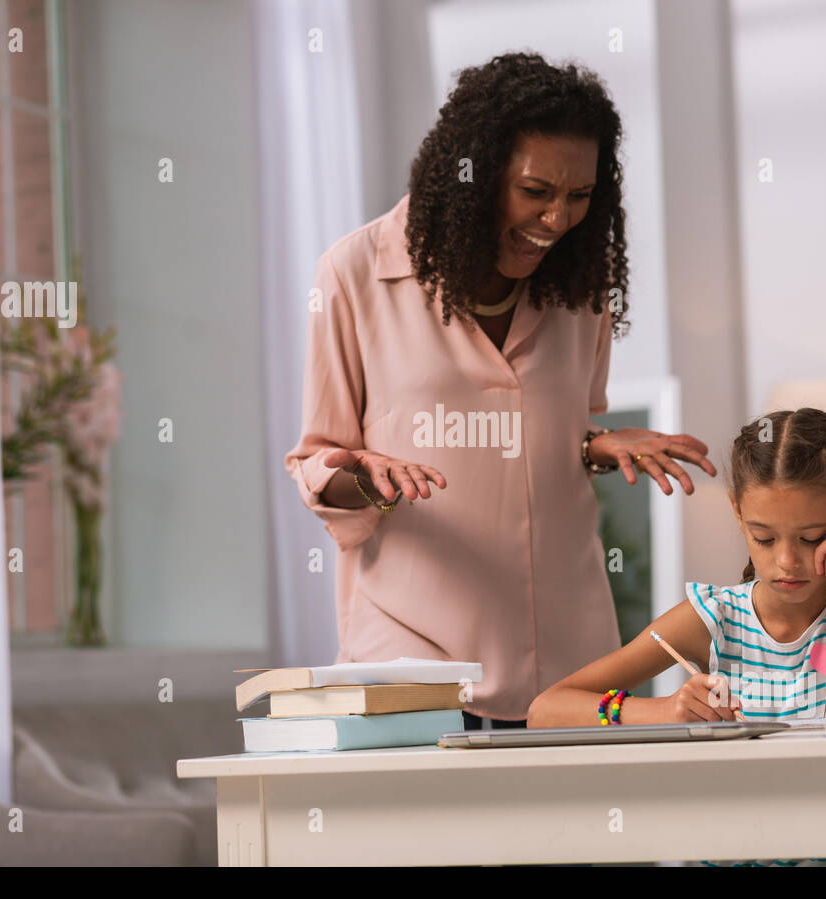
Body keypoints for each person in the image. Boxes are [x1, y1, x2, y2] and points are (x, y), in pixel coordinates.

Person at [284, 52, 715, 729]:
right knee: (435, 835)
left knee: (580, 836)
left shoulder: (582, 283)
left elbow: (546, 436)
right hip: (415, 659)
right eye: (535, 190)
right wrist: (366, 475)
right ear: (474, 176)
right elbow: (317, 464)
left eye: (579, 197)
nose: (557, 218)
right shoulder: (353, 274)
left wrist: (599, 445)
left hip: (570, 668)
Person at [527, 407, 826, 865]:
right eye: (764, 538)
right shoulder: (714, 617)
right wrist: (664, 711)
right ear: (737, 513)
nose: (787, 561)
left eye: (811, 537)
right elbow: (544, 711)